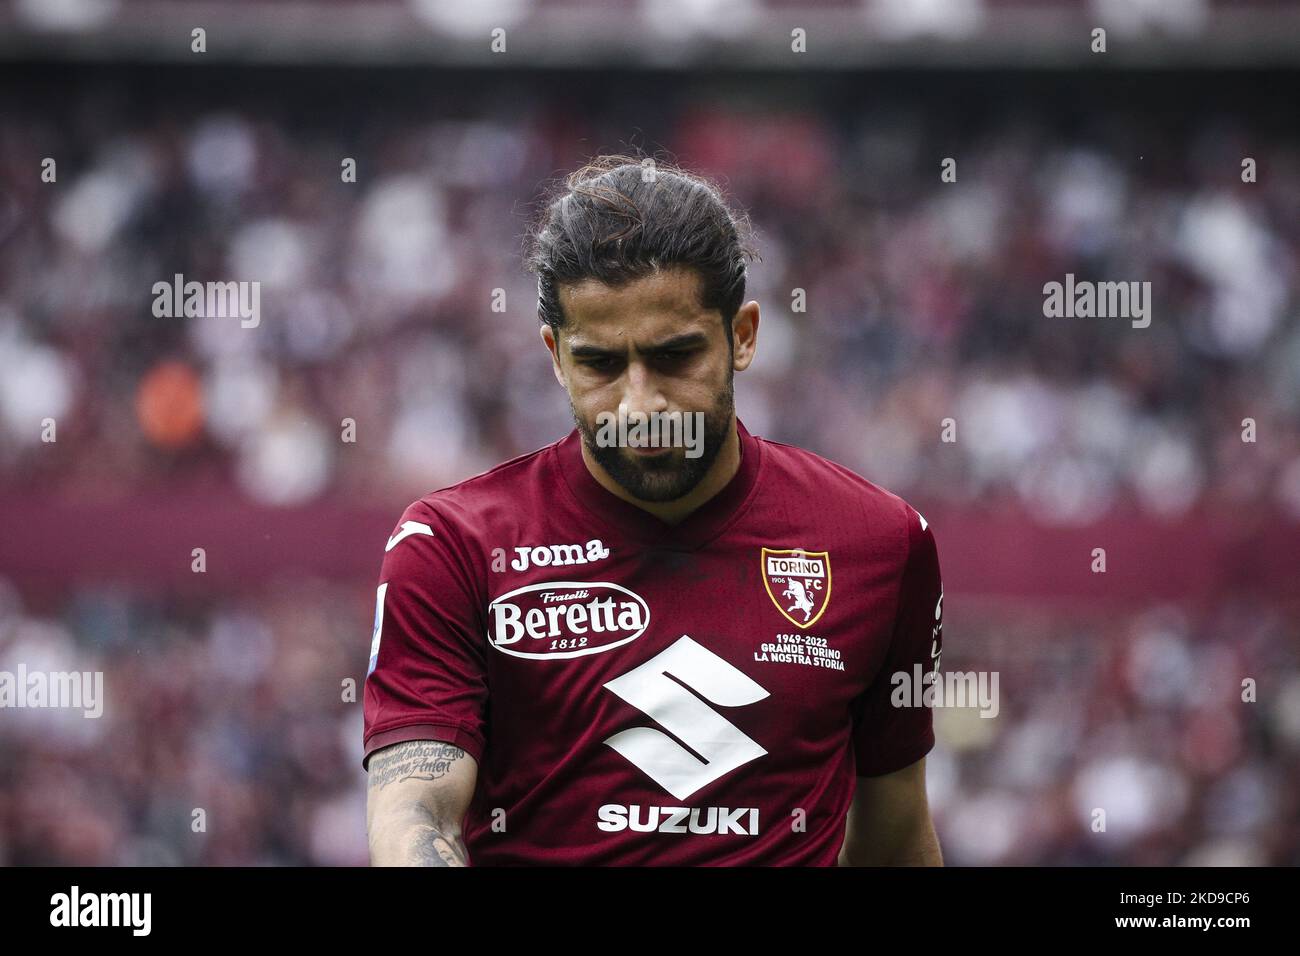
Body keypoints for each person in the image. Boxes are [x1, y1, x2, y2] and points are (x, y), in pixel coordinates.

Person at [363, 155, 944, 866]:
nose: (642, 406)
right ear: (554, 355)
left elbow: (896, 831)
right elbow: (413, 810)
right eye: (601, 364)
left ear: (744, 336)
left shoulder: (883, 544)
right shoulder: (451, 545)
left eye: (675, 357)